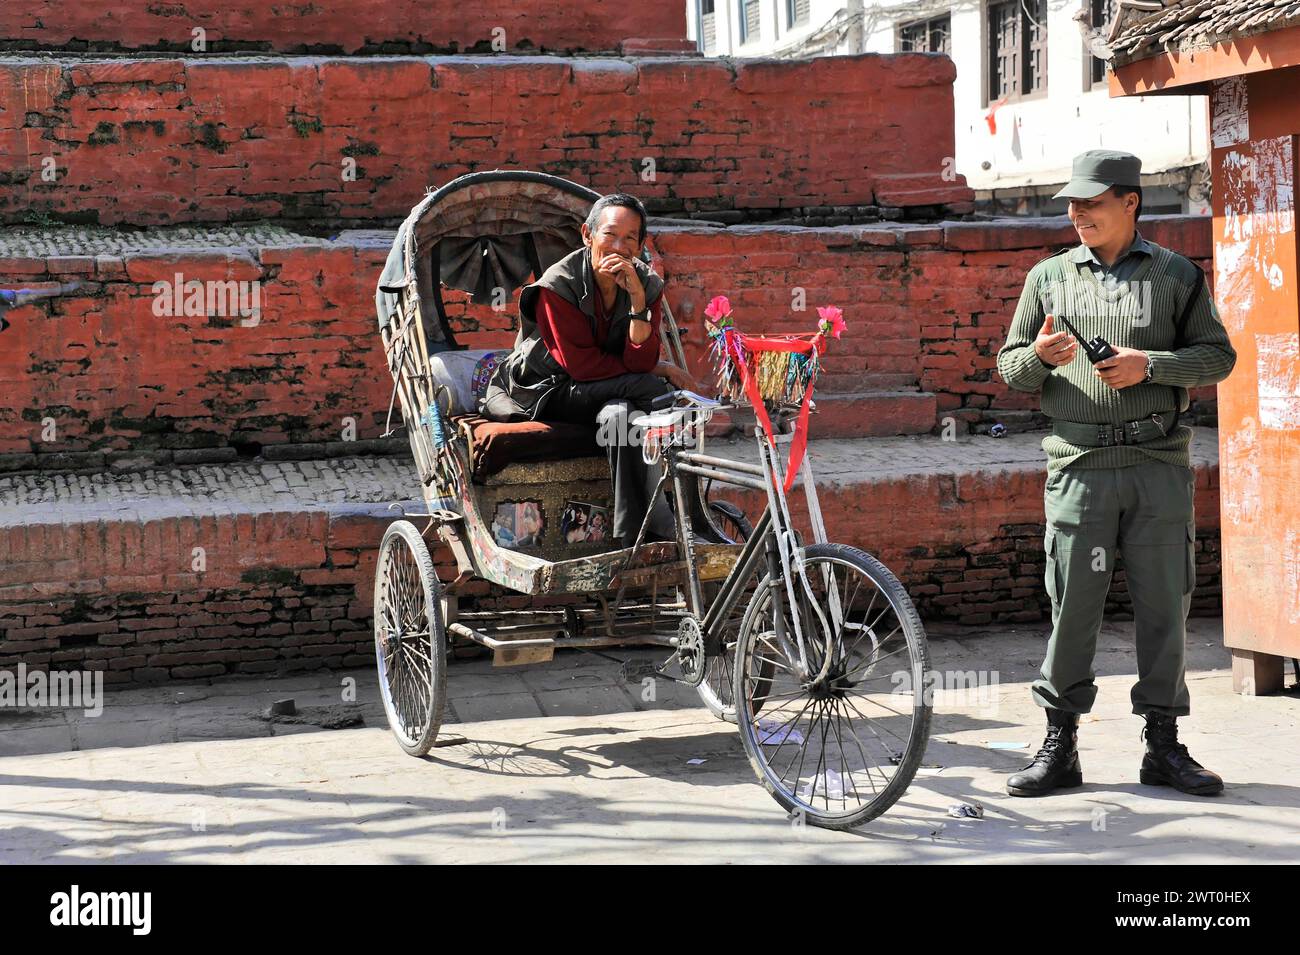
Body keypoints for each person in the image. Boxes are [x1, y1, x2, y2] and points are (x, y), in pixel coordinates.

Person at [995, 149, 1237, 798]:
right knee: (1073, 607)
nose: (1077, 213)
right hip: (1079, 468)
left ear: (1131, 202)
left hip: (1157, 465)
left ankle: (1163, 745)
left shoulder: (1177, 275)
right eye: (1071, 203)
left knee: (1165, 608)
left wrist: (1150, 366)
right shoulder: (1047, 278)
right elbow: (1010, 367)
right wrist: (1040, 357)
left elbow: (1217, 356)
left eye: (1091, 202)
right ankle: (1060, 743)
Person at [481, 193, 702, 547]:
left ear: (640, 245)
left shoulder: (646, 285)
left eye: (630, 238)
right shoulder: (558, 285)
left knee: (621, 417)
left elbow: (638, 360)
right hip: (549, 389)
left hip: (606, 390)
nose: (619, 246)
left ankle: (630, 536)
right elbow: (582, 367)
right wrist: (657, 372)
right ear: (587, 235)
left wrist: (637, 302)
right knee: (656, 393)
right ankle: (671, 508)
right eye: (610, 235)